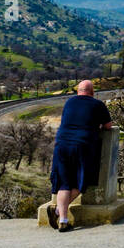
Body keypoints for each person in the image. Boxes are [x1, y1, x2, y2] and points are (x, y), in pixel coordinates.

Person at [47, 80, 113, 232]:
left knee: (64, 183)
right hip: (83, 146)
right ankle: (57, 212)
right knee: (81, 182)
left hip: (62, 145)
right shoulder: (97, 105)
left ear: (78, 91)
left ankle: (62, 219)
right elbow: (108, 126)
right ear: (92, 92)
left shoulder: (69, 102)